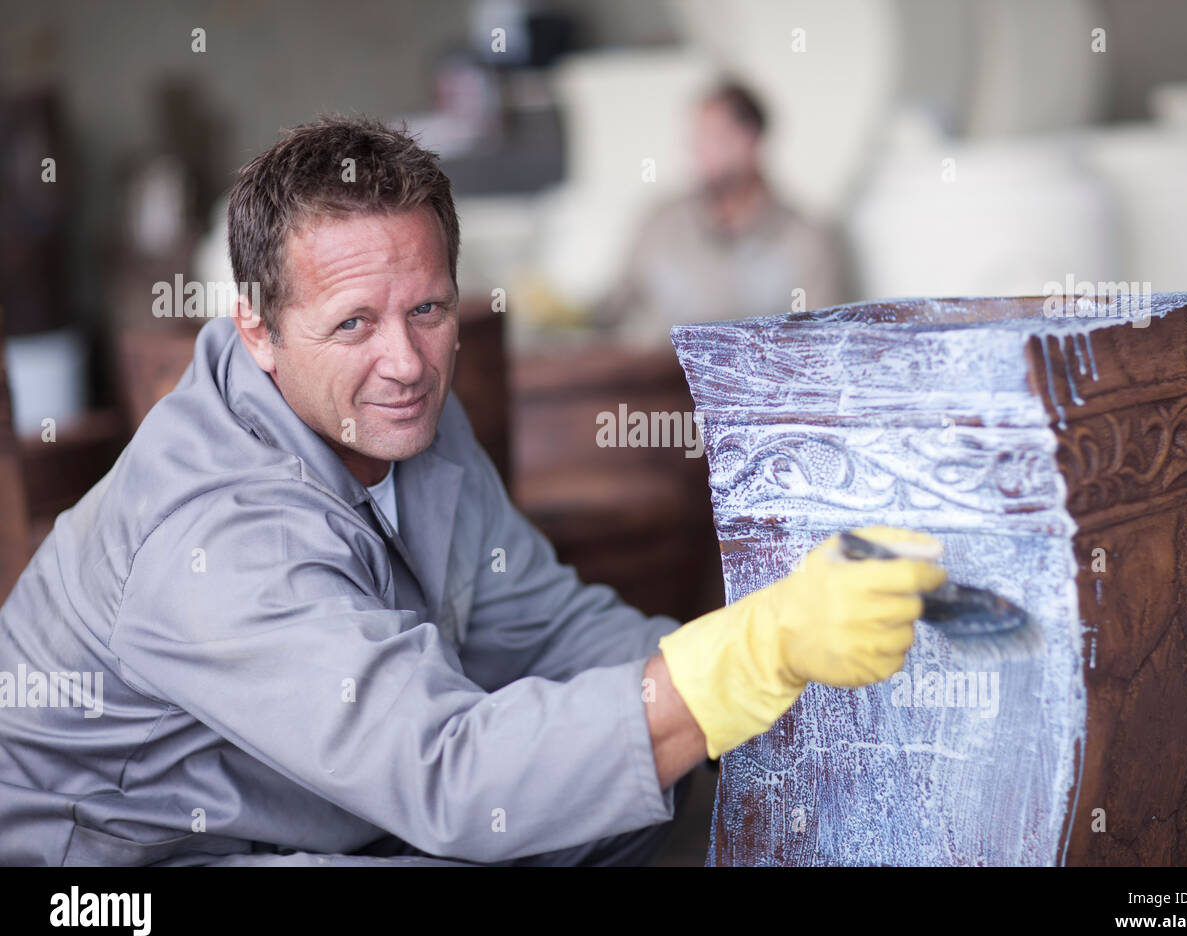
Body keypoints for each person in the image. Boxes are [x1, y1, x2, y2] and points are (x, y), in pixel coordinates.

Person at [0, 116, 942, 866]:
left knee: (617, 799)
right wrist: (743, 665)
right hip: (131, 865)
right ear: (257, 330)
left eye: (428, 309)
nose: (406, 363)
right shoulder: (217, 535)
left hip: (314, 799)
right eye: (353, 323)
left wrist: (770, 689)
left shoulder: (399, 421)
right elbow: (447, 773)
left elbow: (549, 627)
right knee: (547, 787)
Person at [595, 81, 853, 345]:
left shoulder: (807, 240)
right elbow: (610, 311)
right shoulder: (660, 223)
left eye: (712, 137)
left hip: (754, 384)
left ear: (749, 140)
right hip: (655, 380)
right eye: (695, 138)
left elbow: (822, 344)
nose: (697, 151)